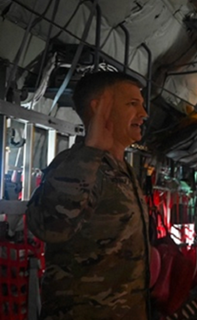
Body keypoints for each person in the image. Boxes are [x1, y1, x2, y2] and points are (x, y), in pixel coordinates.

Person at [26, 71, 150, 319]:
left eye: (142, 105)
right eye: (132, 104)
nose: (144, 114)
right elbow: (48, 227)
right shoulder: (77, 166)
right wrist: (91, 150)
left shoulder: (122, 169)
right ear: (99, 108)